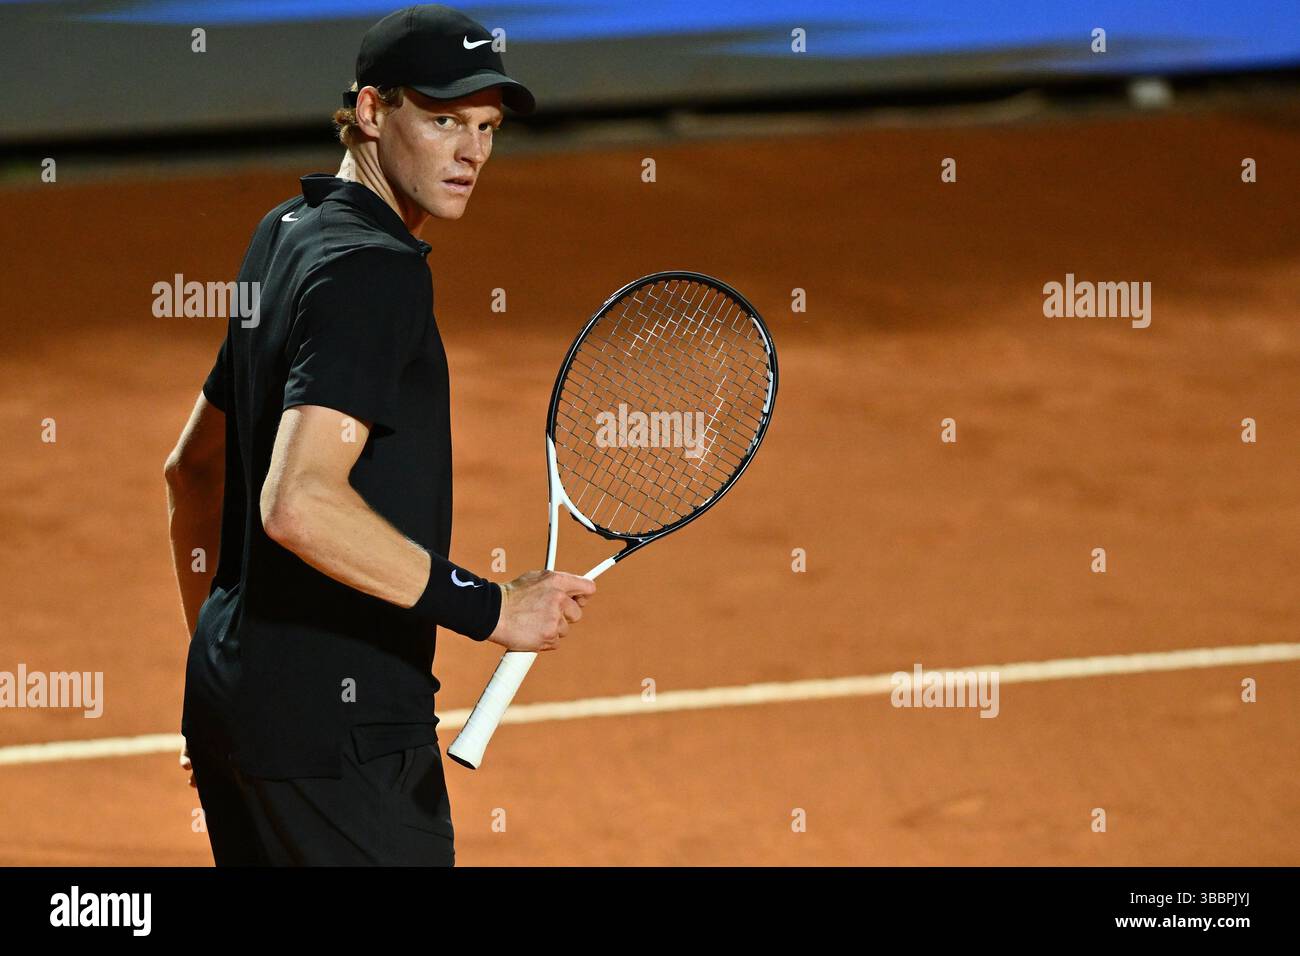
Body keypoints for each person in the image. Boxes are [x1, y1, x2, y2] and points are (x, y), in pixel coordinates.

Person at [163, 3, 595, 866]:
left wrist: (237, 685)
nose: (471, 153)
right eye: (442, 121)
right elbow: (297, 503)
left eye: (486, 127)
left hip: (236, 705)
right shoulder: (378, 276)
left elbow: (192, 471)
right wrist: (491, 607)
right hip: (342, 743)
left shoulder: (284, 235)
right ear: (370, 111)